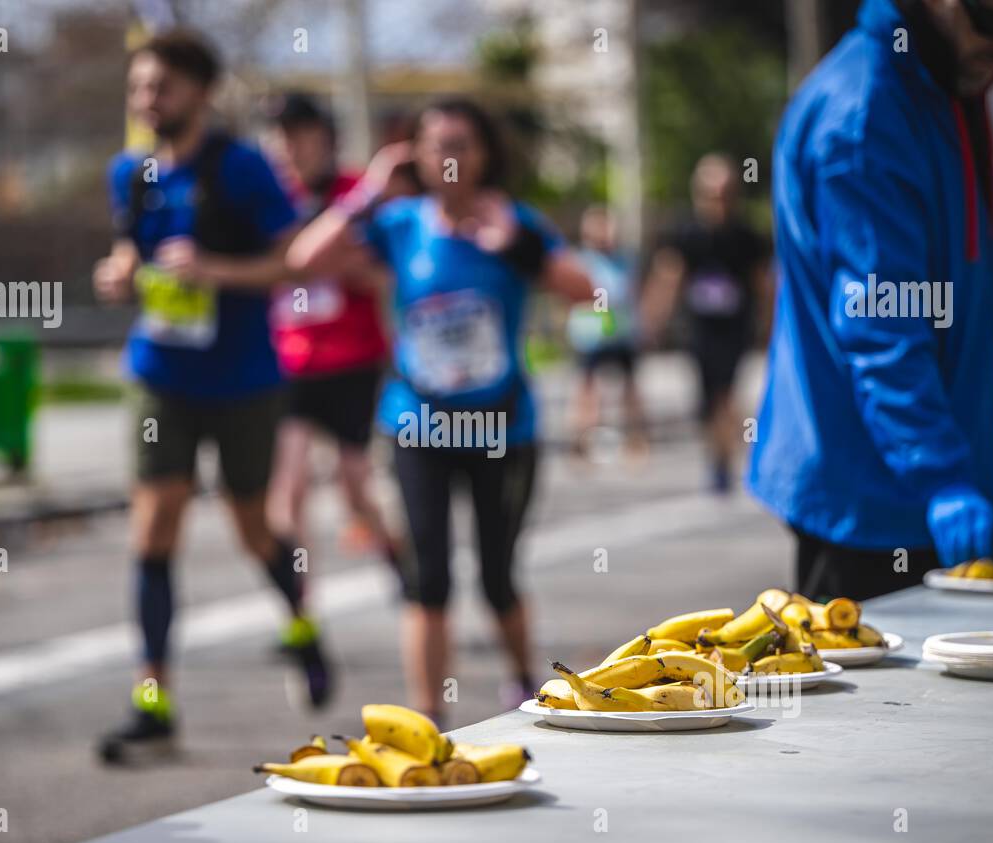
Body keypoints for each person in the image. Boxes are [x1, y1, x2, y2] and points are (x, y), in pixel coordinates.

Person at [287, 98, 593, 723]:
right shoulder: (399, 223)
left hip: (502, 429)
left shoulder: (515, 223)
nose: (450, 159)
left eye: (462, 145)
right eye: (437, 146)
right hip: (418, 425)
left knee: (497, 573)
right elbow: (303, 261)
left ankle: (520, 682)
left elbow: (591, 292)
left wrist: (518, 249)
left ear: (485, 155)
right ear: (417, 156)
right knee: (428, 577)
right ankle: (429, 720)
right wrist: (368, 190)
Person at [749, 0, 993, 602]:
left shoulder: (941, 84)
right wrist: (941, 477)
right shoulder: (867, 112)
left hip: (918, 487)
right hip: (871, 502)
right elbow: (882, 323)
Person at [91, 31, 327, 764]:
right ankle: (152, 700)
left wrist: (216, 271)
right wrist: (119, 273)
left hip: (245, 380)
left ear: (199, 90)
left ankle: (301, 623)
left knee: (252, 527)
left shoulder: (241, 166)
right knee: (154, 529)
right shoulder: (130, 173)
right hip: (162, 375)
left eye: (159, 87)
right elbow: (132, 250)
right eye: (137, 88)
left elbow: (291, 262)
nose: (145, 101)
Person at [263, 94, 402, 573]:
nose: (289, 146)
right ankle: (301, 616)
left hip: (353, 358)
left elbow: (383, 270)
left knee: (354, 490)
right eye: (280, 135)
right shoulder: (270, 197)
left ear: (325, 137)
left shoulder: (356, 192)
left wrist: (313, 262)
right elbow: (268, 268)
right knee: (290, 490)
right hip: (288, 361)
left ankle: (401, 565)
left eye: (299, 133)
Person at [641, 154, 770, 493]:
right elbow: (668, 278)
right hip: (700, 329)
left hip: (735, 328)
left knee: (727, 393)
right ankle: (718, 454)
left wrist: (770, 327)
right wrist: (653, 321)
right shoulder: (685, 232)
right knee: (707, 397)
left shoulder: (746, 236)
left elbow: (764, 284)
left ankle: (725, 461)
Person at [565, 204, 648, 460]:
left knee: (630, 388)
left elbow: (632, 295)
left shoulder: (625, 260)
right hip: (590, 335)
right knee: (587, 388)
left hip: (621, 333)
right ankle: (582, 442)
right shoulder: (579, 261)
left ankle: (636, 440)